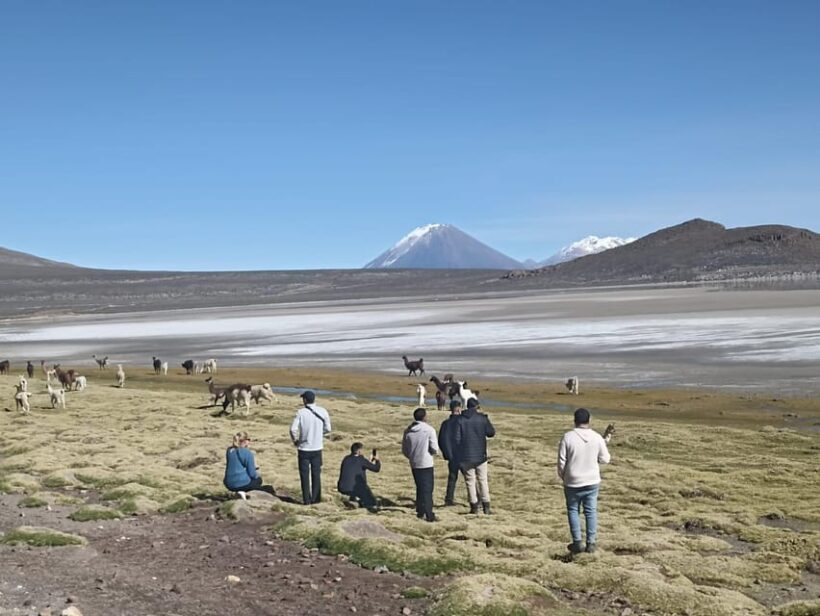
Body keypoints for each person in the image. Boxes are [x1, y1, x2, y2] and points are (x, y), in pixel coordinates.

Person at [557, 408, 611, 555]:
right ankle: (591, 543)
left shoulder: (568, 437)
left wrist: (564, 477)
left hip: (572, 480)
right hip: (592, 480)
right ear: (589, 420)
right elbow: (606, 459)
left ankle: (577, 542)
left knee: (573, 510)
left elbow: (561, 462)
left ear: (574, 420)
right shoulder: (597, 437)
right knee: (591, 511)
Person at [290, 390, 332, 505]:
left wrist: (295, 440)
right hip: (317, 448)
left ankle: (306, 500)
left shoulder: (301, 412)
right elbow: (328, 429)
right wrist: (319, 433)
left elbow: (293, 429)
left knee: (304, 476)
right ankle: (316, 499)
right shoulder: (323, 411)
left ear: (304, 400)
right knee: (316, 474)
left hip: (303, 448)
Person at [455, 397, 496, 514]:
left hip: (465, 455)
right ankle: (486, 506)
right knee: (483, 480)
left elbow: (457, 439)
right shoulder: (482, 418)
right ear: (477, 406)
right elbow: (491, 433)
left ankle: (474, 506)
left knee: (470, 481)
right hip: (480, 455)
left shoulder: (460, 420)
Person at [402, 407, 439, 522]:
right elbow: (434, 448)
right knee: (427, 489)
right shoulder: (429, 430)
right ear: (425, 417)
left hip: (414, 462)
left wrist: (412, 456)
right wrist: (431, 453)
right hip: (426, 463)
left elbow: (405, 449)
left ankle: (420, 510)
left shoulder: (408, 430)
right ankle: (429, 514)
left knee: (419, 487)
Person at [223, 432, 275, 498]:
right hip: (241, 483)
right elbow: (252, 474)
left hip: (228, 484)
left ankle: (239, 492)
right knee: (259, 480)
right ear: (245, 441)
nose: (250, 441)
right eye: (249, 439)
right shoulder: (247, 453)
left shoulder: (229, 450)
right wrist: (257, 473)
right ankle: (243, 492)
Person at [337, 442, 381, 511]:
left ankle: (353, 500)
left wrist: (368, 461)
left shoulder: (346, 459)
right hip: (356, 489)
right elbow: (376, 469)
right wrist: (377, 460)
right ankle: (360, 503)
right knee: (371, 500)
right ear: (359, 451)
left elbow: (356, 467)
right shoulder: (362, 460)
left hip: (342, 488)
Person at [438, 399, 463, 506]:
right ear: (458, 409)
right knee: (471, 478)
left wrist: (446, 453)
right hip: (463, 454)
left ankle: (449, 499)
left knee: (452, 478)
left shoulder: (445, 423)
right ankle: (476, 499)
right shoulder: (462, 422)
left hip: (451, 455)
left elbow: (441, 440)